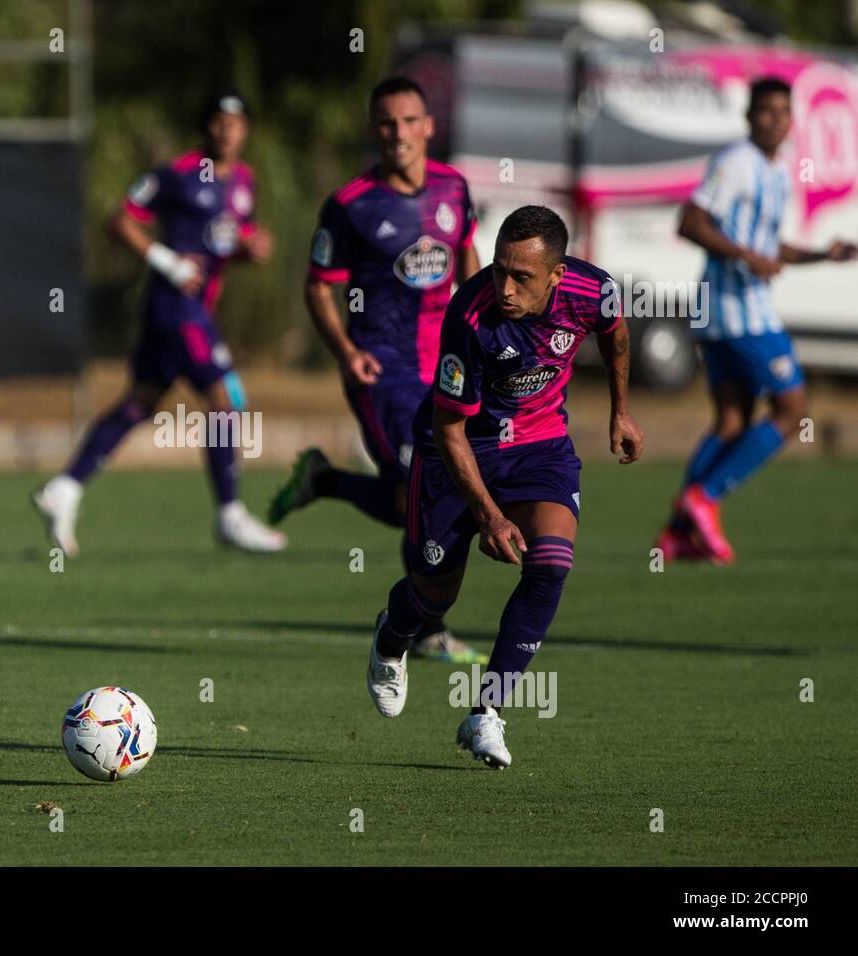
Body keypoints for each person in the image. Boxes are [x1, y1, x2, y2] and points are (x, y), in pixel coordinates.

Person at [366, 205, 643, 769]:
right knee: (432, 595)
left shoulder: (596, 292)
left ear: (558, 274)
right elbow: (449, 428)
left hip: (540, 445)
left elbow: (615, 336)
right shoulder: (470, 317)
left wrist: (621, 411)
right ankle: (391, 639)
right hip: (459, 449)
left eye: (522, 277)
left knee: (550, 563)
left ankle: (486, 713)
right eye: (499, 270)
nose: (506, 288)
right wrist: (490, 516)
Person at [269, 75, 483, 663]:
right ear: (374, 131)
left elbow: (468, 258)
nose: (399, 133)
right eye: (387, 123)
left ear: (428, 127)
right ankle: (427, 627)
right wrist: (345, 351)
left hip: (444, 367)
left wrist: (485, 327)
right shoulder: (350, 205)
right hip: (381, 373)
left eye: (410, 120)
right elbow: (318, 288)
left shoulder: (454, 187)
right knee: (431, 487)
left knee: (405, 500)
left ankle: (325, 481)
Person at [33, 92, 284, 556]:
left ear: (246, 129)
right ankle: (230, 513)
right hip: (174, 308)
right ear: (206, 126)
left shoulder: (244, 182)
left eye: (236, 122)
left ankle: (64, 488)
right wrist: (168, 262)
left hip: (194, 312)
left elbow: (228, 239)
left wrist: (249, 248)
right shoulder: (178, 174)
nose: (227, 130)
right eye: (218, 121)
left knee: (140, 402)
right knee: (225, 397)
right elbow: (121, 221)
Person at [658, 76, 857, 564]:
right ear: (749, 116)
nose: (775, 120)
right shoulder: (736, 163)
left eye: (783, 112)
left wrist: (820, 254)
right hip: (737, 312)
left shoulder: (777, 169)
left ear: (792, 120)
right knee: (793, 412)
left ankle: (677, 534)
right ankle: (706, 497)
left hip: (729, 314)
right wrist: (745, 256)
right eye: (766, 111)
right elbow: (690, 221)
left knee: (731, 420)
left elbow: (770, 246)